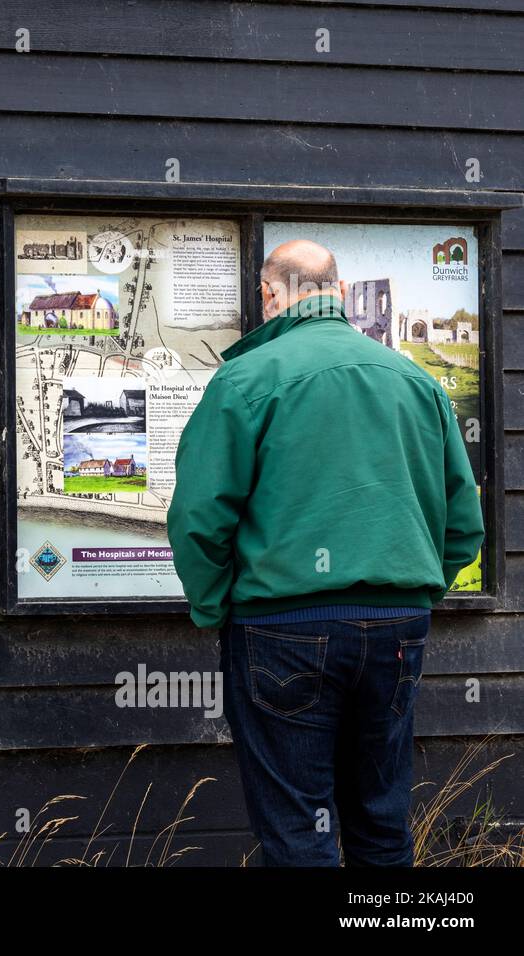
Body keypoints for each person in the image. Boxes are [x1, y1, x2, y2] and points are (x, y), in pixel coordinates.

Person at [166, 239, 484, 866]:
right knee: (382, 824)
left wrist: (215, 609)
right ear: (339, 294)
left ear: (270, 295)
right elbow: (464, 524)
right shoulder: (415, 381)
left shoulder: (244, 379)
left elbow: (199, 520)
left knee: (298, 834)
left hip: (281, 629)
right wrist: (413, 589)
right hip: (397, 629)